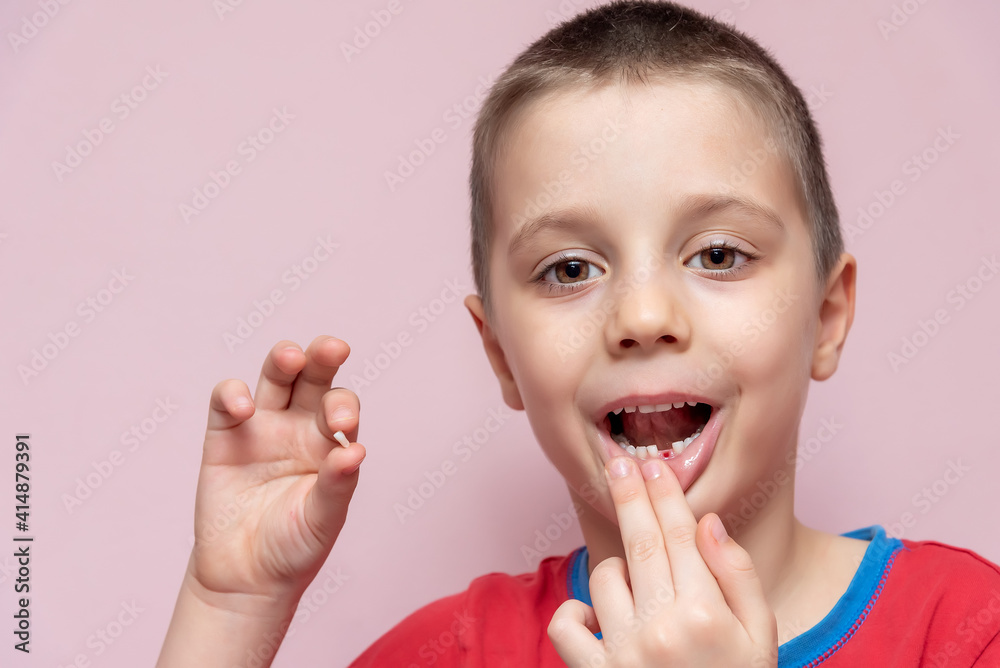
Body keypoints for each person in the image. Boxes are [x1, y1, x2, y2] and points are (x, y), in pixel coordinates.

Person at [157, 1, 1000, 665]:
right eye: (569, 270)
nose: (640, 319)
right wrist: (230, 608)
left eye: (716, 253)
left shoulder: (967, 633)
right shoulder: (445, 657)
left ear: (826, 315)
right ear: (500, 356)